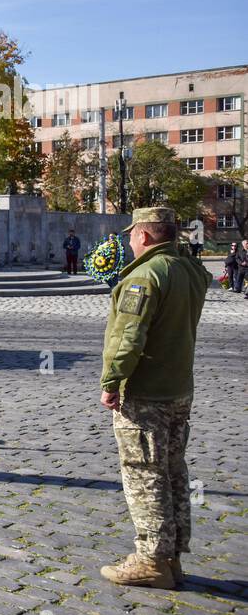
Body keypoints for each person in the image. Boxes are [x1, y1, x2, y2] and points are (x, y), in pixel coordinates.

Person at [99, 207, 207, 589]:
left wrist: (111, 381)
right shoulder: (190, 271)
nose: (129, 242)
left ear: (144, 236)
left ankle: (151, 559)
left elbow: (129, 338)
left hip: (146, 391)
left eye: (131, 235)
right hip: (179, 388)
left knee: (144, 473)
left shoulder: (144, 276)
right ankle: (173, 555)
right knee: (173, 470)